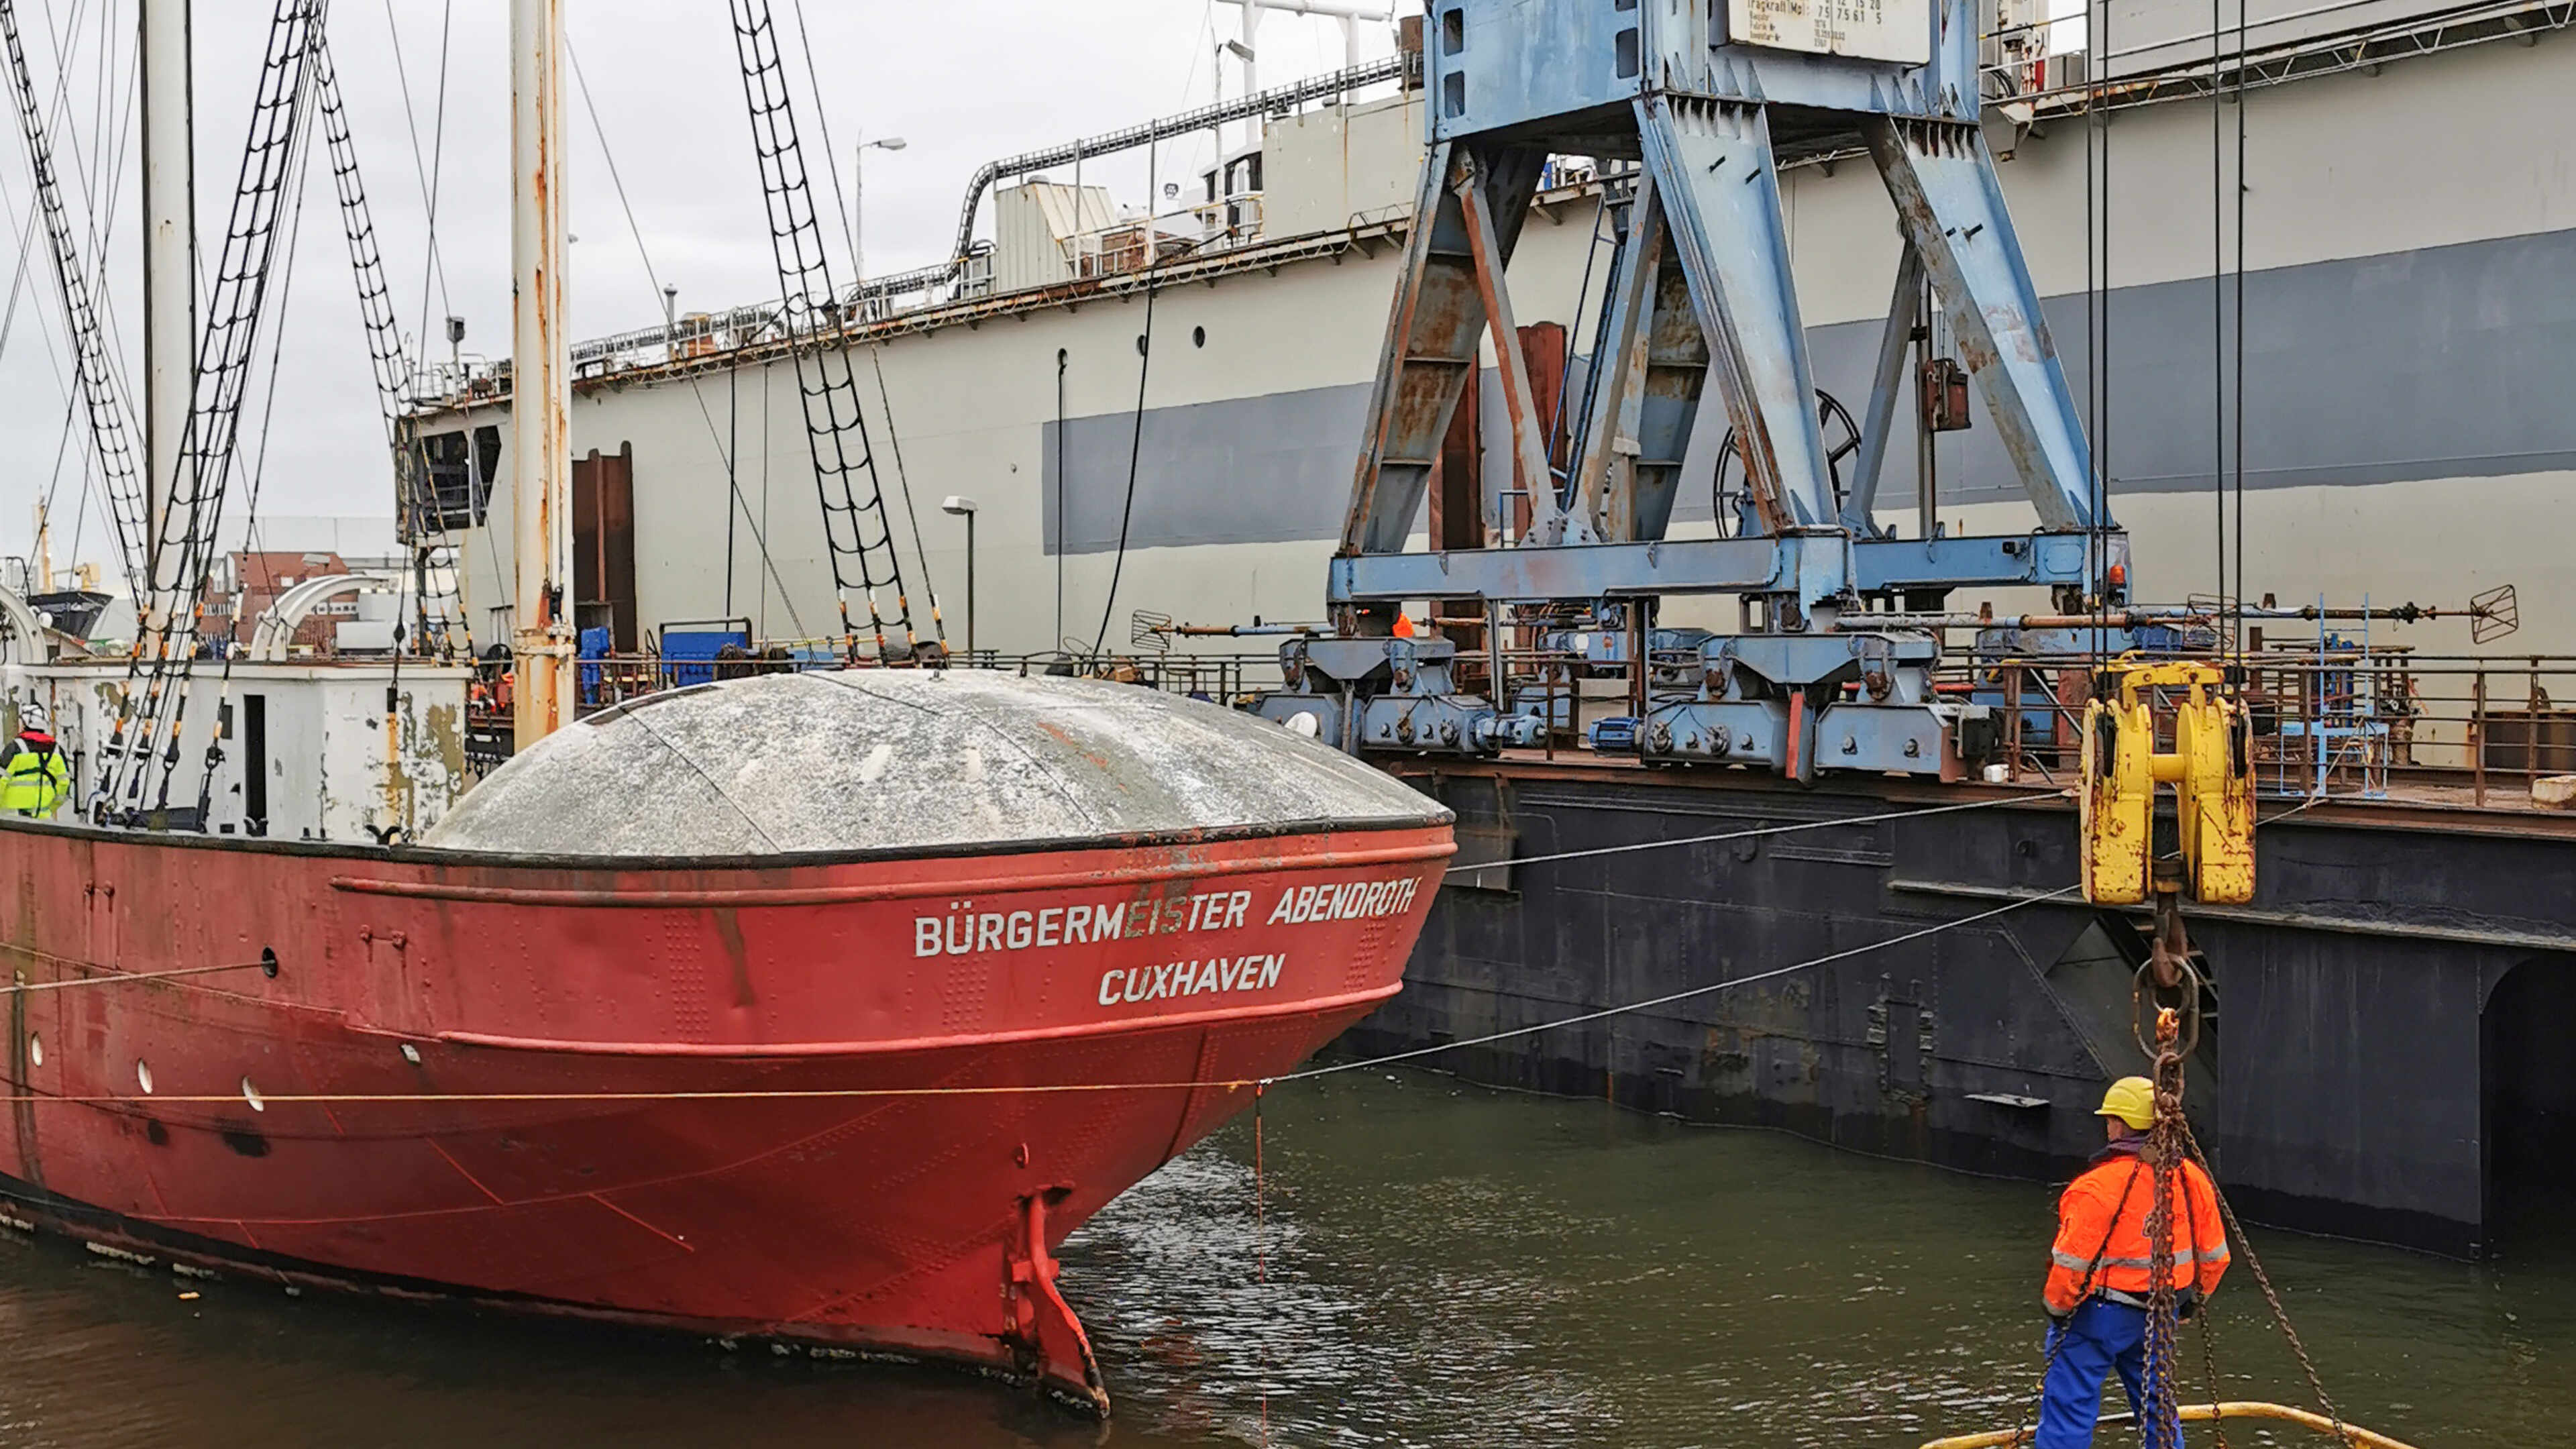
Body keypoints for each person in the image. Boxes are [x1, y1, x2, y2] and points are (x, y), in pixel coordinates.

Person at [2035, 1075, 2231, 1448]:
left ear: (2119, 1124)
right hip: (2160, 1313)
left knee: (2069, 1409)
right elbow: (2216, 1257)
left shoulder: (2095, 1187)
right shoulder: (2193, 1180)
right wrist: (2190, 1302)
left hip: (2097, 1316)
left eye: (2109, 1119)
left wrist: (2058, 1312)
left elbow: (2070, 1267)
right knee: (2160, 1408)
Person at [3, 724, 70, 819]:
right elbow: (64, 785)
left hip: (11, 819)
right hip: (43, 819)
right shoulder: (57, 751)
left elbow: (2, 779)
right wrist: (50, 808)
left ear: (23, 727)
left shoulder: (15, 748)